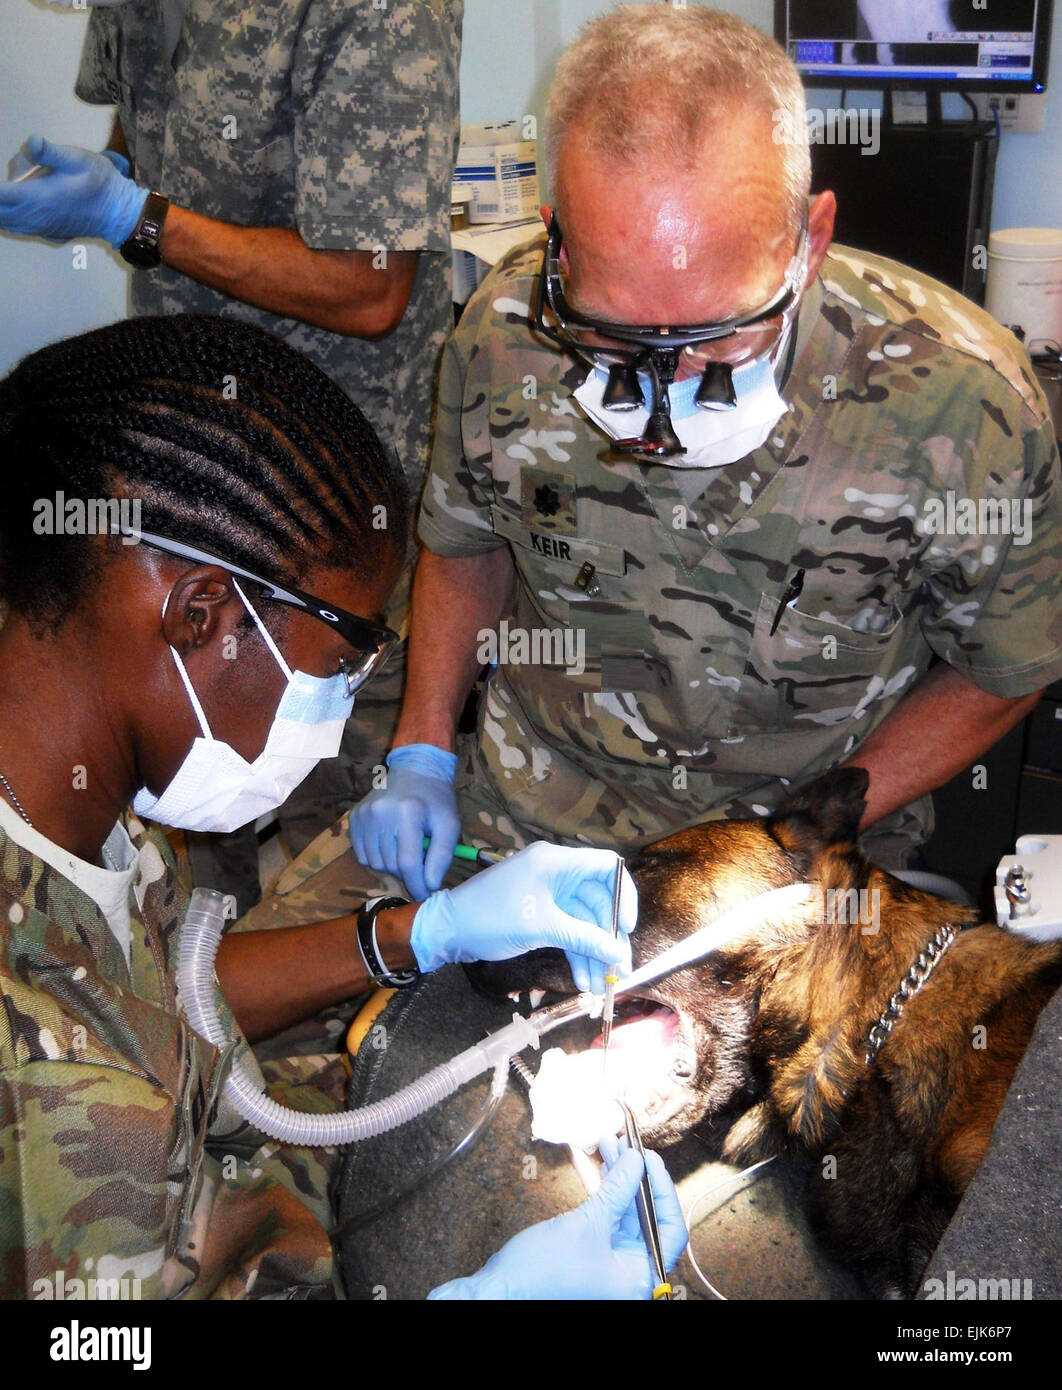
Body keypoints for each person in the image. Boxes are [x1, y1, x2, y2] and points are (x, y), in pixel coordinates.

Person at [0, 314, 686, 1300]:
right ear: (198, 614)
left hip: (228, 1194)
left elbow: (157, 996)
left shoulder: (79, 774)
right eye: (335, 666)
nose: (334, 717)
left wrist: (421, 932)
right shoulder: (53, 1103)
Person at [347, 3, 1062, 905]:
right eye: (611, 335)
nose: (665, 377)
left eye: (718, 336)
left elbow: (1001, 674)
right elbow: (462, 545)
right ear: (558, 238)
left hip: (801, 839)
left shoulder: (964, 404)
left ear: (810, 240)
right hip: (525, 808)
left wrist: (797, 841)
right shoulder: (505, 331)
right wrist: (420, 750)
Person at [0, 0, 465, 901]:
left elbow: (371, 286)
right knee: (172, 799)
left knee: (321, 779)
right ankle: (190, 952)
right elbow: (142, 137)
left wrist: (137, 217)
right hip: (175, 463)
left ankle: (332, 952)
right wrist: (116, 183)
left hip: (318, 503)